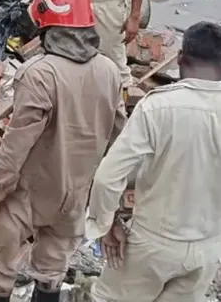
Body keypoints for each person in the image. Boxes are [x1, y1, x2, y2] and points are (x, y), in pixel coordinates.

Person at [0, 0, 126, 302]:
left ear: (46, 24)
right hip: (75, 196)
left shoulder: (40, 73)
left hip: (31, 193)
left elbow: (17, 143)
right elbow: (119, 137)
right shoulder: (110, 71)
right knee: (51, 270)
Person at [87, 21, 221, 302]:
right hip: (207, 249)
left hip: (152, 242)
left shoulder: (158, 106)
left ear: (181, 57)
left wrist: (106, 226)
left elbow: (107, 178)